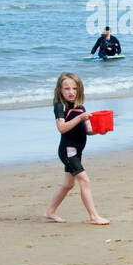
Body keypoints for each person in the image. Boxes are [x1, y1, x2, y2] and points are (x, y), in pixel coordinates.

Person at [45, 73, 109, 224]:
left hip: (77, 150)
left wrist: (99, 130)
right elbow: (61, 128)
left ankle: (50, 211)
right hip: (67, 151)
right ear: (60, 90)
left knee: (68, 184)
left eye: (74, 88)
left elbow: (87, 130)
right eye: (67, 88)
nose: (71, 92)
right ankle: (94, 217)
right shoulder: (60, 106)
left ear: (79, 89)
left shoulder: (80, 107)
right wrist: (79, 118)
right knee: (85, 181)